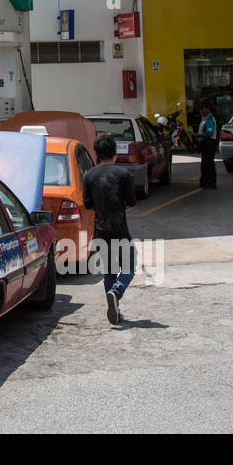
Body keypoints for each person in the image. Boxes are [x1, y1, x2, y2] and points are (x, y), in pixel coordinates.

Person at [82, 133, 138, 325]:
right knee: (129, 268)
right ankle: (116, 292)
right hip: (120, 230)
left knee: (110, 271)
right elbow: (131, 203)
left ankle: (115, 309)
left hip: (100, 230)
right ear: (115, 152)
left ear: (96, 153)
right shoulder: (124, 175)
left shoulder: (89, 176)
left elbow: (88, 206)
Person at [197, 101, 219, 189]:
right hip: (205, 143)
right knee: (205, 164)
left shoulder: (209, 119)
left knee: (208, 163)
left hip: (209, 143)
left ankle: (211, 183)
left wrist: (197, 135)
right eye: (200, 109)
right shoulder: (205, 118)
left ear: (207, 109)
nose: (201, 111)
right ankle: (204, 181)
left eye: (202, 109)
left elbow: (209, 134)